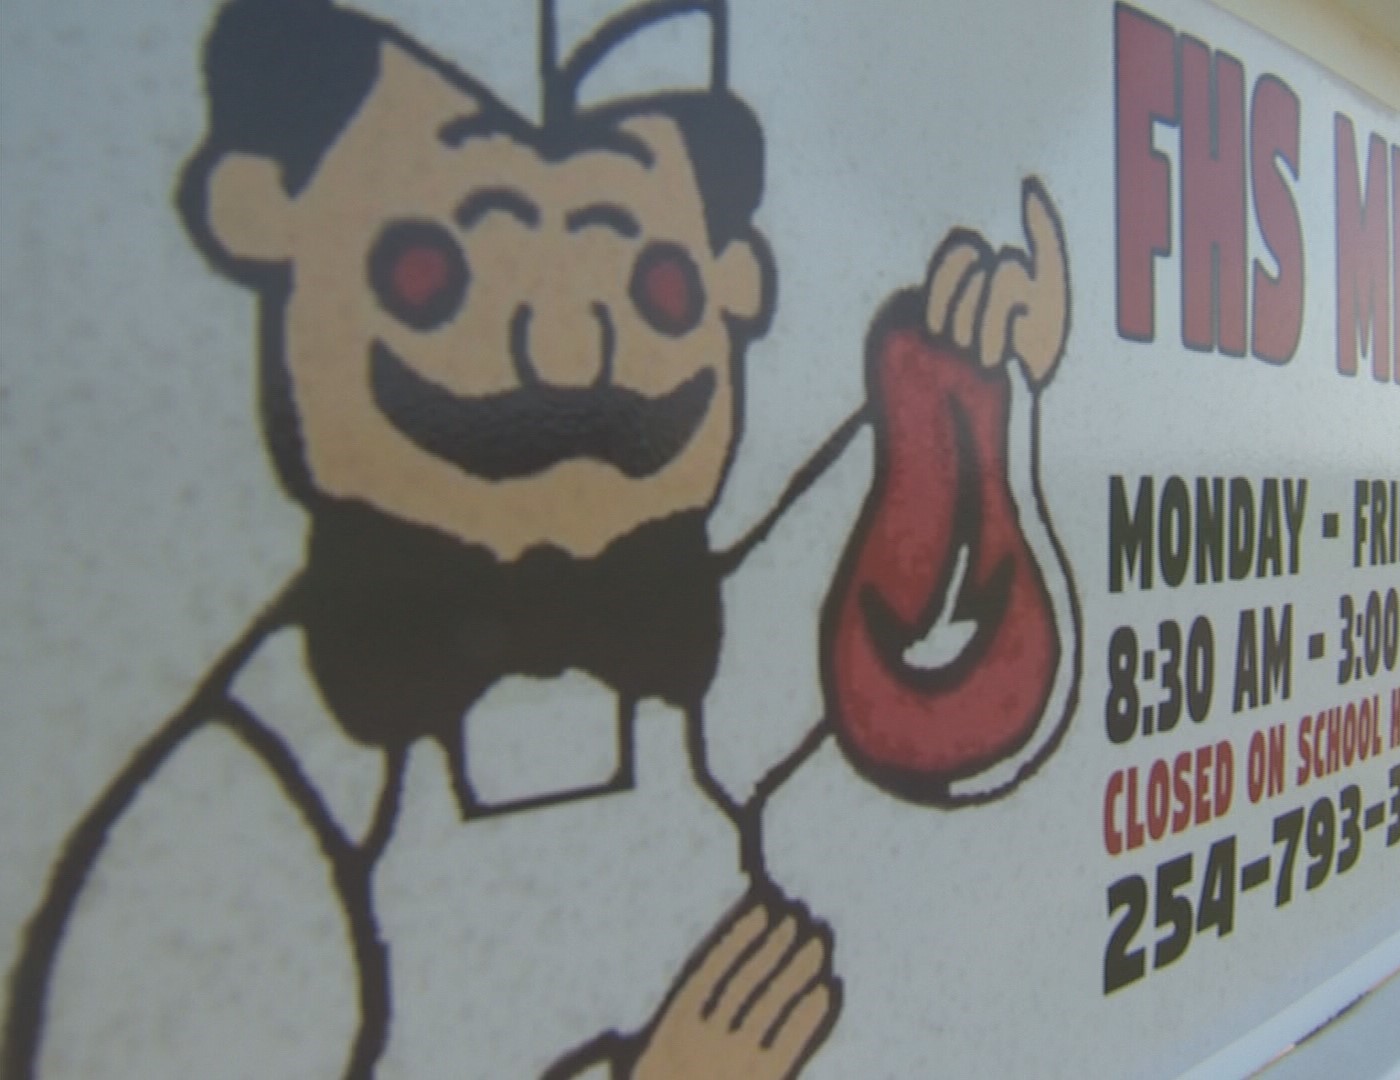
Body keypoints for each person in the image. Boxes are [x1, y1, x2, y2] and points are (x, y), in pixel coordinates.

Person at [2, 1, 1076, 1075]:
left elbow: (857, 615)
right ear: (265, 217)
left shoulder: (676, 668)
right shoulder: (263, 787)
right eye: (433, 274)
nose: (561, 344)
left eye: (651, 289)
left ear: (734, 286)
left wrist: (964, 372)